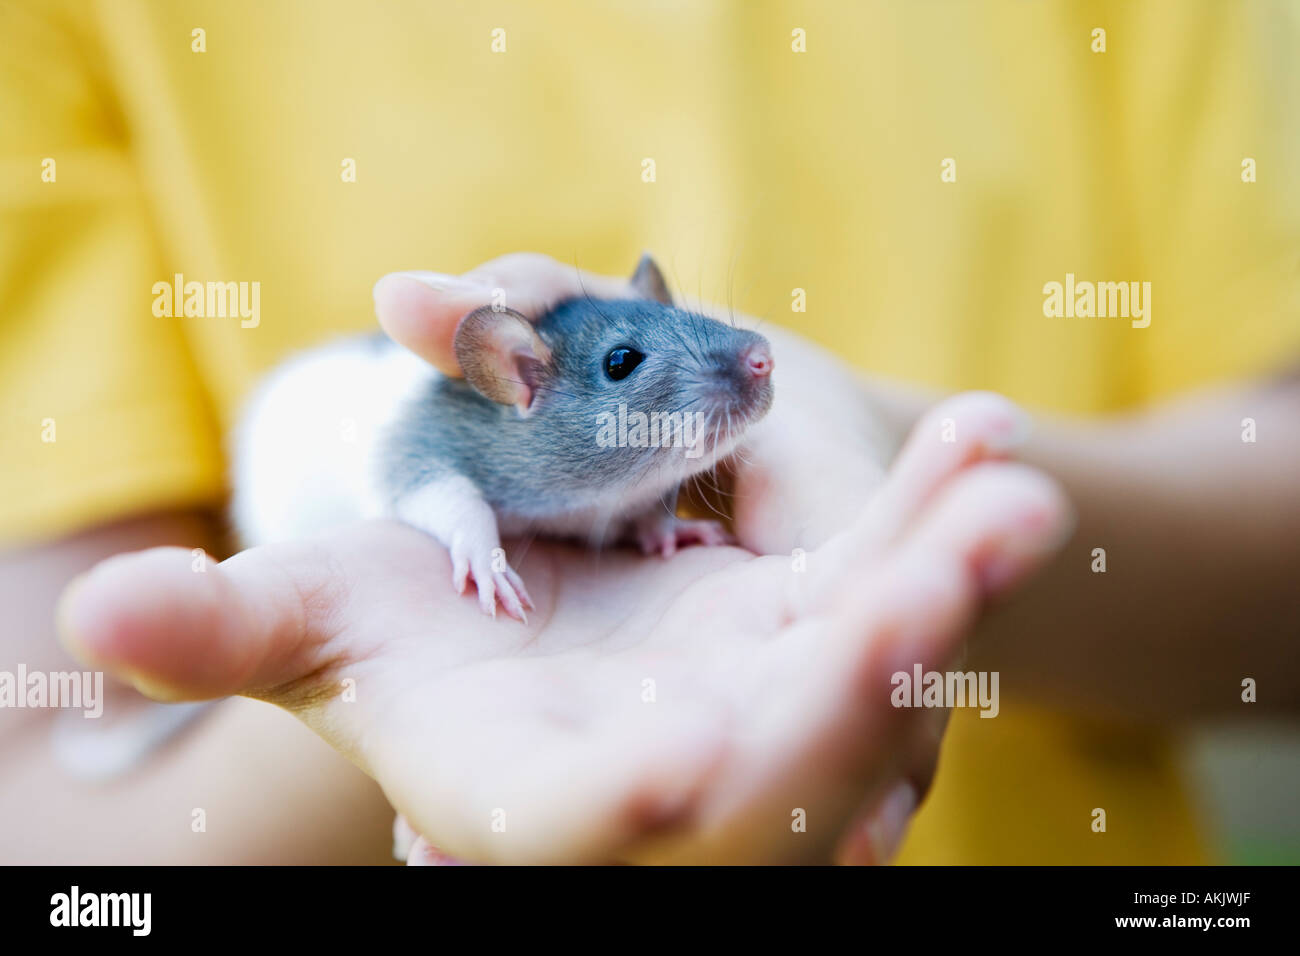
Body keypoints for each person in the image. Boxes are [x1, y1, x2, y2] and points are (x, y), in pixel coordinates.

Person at [3, 0, 1297, 864]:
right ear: (521, 380)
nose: (745, 368)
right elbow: (50, 819)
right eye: (629, 361)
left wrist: (894, 487)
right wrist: (373, 701)